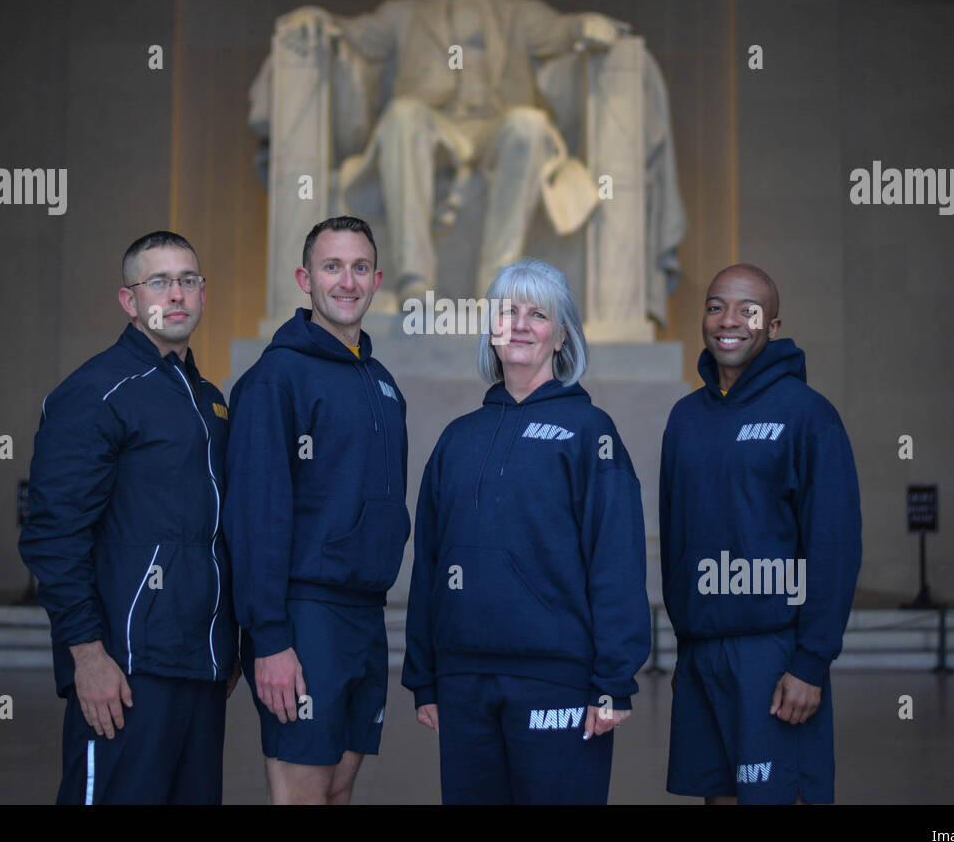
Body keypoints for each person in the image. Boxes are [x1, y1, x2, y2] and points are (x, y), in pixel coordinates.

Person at [276, 0, 630, 300]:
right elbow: (354, 34)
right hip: (433, 128)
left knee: (530, 125)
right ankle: (415, 279)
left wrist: (589, 24)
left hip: (495, 128)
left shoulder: (519, 12)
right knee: (404, 115)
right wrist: (317, 18)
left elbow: (562, 30)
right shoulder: (403, 14)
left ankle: (499, 282)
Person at [403, 258, 650, 804]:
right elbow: (431, 564)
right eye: (506, 311)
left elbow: (617, 560)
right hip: (465, 682)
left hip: (557, 680)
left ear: (562, 335)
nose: (519, 324)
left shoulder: (590, 433)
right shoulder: (457, 439)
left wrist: (613, 680)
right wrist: (425, 675)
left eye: (538, 314)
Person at [19, 231, 238, 805]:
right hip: (125, 667)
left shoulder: (208, 398)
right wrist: (86, 656)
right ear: (129, 300)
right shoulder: (96, 391)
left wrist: (229, 642)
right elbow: (52, 532)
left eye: (189, 279)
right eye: (159, 281)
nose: (177, 293)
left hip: (200, 664)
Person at [224, 215, 410, 805]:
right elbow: (255, 518)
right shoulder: (274, 380)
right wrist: (270, 638)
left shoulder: (382, 383)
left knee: (337, 792)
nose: (347, 281)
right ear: (305, 278)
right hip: (304, 619)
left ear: (377, 278)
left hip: (364, 617)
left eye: (359, 268)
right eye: (332, 267)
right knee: (302, 796)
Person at [659, 264, 862, 804]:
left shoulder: (808, 416)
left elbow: (835, 547)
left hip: (774, 658)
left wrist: (810, 662)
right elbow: (677, 542)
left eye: (747, 309)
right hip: (701, 657)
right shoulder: (685, 419)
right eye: (715, 306)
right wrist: (686, 647)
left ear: (772, 326)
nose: (729, 320)